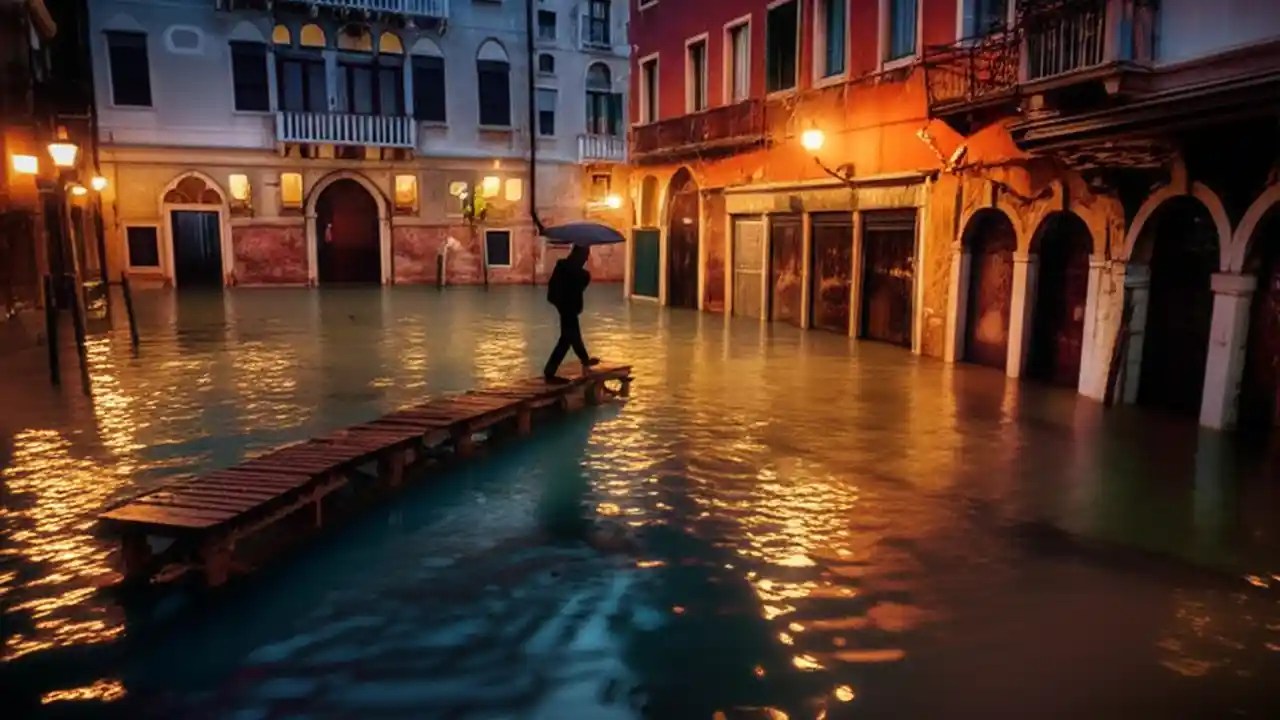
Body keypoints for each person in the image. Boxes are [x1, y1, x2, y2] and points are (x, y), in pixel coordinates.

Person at [543, 244, 599, 383]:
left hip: (564, 306)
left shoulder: (563, 267)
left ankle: (583, 360)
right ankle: (549, 372)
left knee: (569, 337)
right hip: (567, 307)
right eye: (585, 256)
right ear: (579, 255)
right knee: (568, 338)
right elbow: (576, 286)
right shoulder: (581, 274)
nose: (586, 259)